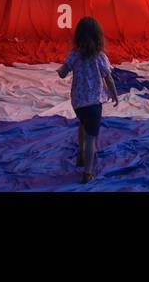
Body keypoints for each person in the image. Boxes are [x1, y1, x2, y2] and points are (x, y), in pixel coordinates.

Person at [58, 16, 120, 183]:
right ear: (98, 36)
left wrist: (61, 70)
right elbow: (108, 78)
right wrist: (114, 94)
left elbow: (63, 72)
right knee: (92, 137)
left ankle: (81, 154)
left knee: (82, 125)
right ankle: (88, 172)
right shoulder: (100, 56)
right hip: (94, 103)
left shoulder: (74, 55)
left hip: (78, 103)